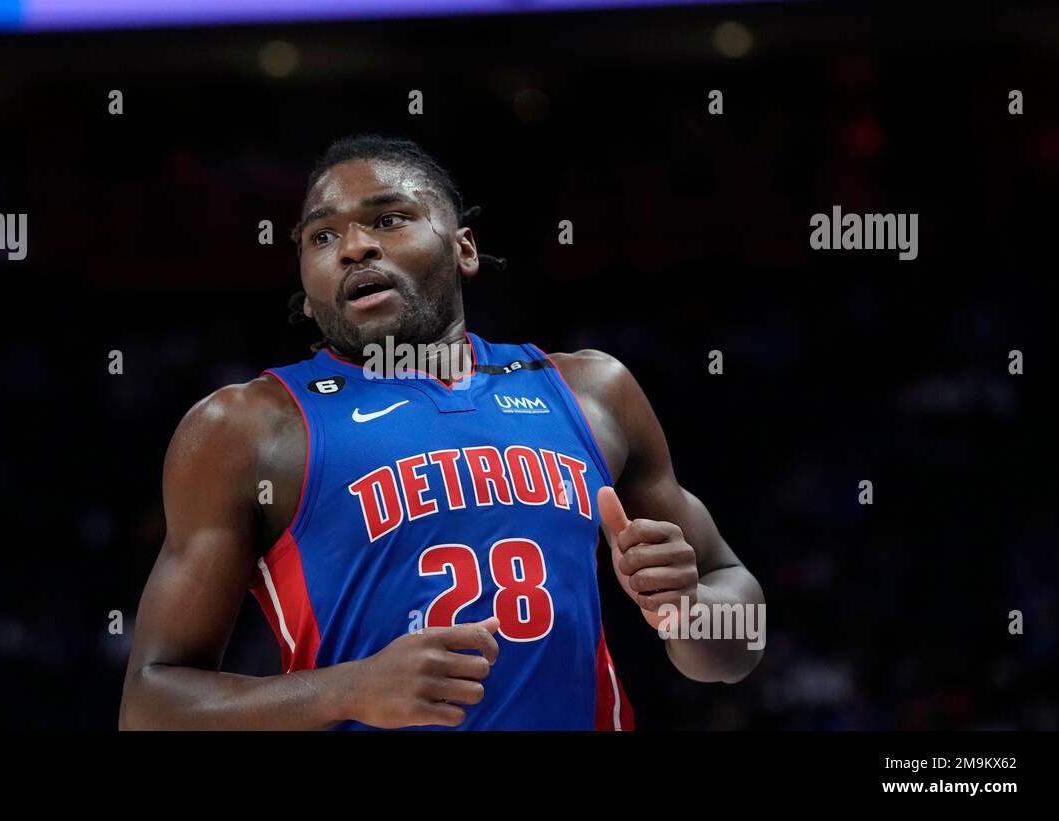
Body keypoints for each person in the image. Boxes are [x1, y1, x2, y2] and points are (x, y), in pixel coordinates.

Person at [119, 134, 764, 730]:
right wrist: (348, 688)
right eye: (321, 238)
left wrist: (688, 607)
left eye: (388, 219)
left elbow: (733, 648)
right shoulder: (246, 428)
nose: (353, 247)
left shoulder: (592, 391)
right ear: (309, 295)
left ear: (464, 248)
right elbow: (150, 703)